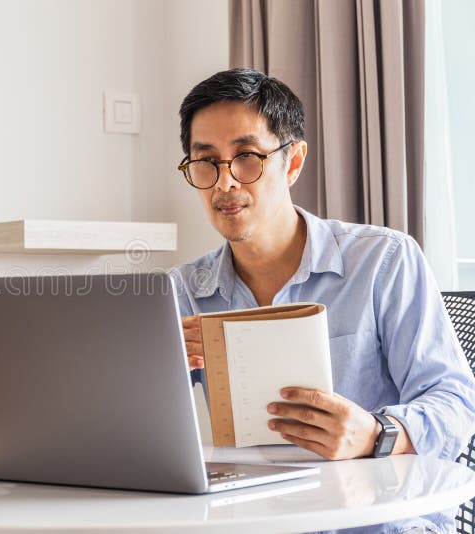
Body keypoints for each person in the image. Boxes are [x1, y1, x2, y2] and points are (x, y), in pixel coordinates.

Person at [169, 68, 475, 533]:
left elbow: (458, 403)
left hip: (379, 523)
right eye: (206, 162)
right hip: (252, 522)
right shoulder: (183, 291)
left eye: (247, 157)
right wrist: (162, 373)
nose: (224, 184)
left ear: (292, 163)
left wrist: (375, 433)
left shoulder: (384, 260)